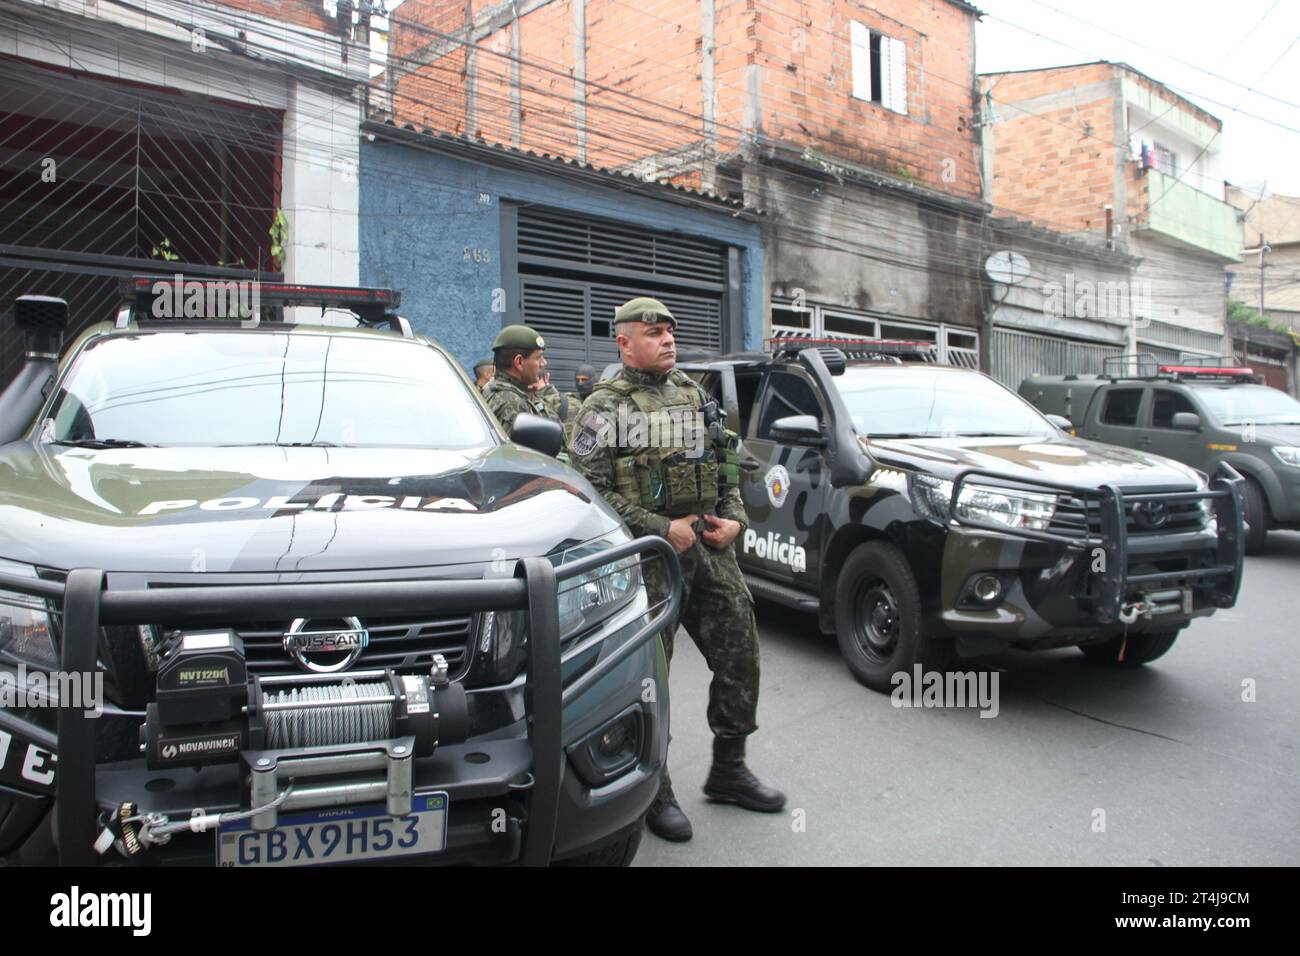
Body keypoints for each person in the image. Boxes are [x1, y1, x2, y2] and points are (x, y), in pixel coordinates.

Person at [569, 297, 785, 843]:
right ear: (624, 343)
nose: (668, 340)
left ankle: (729, 769)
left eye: (670, 332)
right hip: (649, 562)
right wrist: (661, 528)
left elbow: (725, 464)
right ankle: (655, 789)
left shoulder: (692, 394)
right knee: (651, 679)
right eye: (654, 332)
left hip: (710, 549)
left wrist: (734, 519)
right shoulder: (603, 407)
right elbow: (588, 493)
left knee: (741, 656)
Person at [482, 325, 565, 445]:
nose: (543, 363)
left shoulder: (492, 390)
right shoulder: (513, 403)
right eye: (538, 358)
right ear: (519, 362)